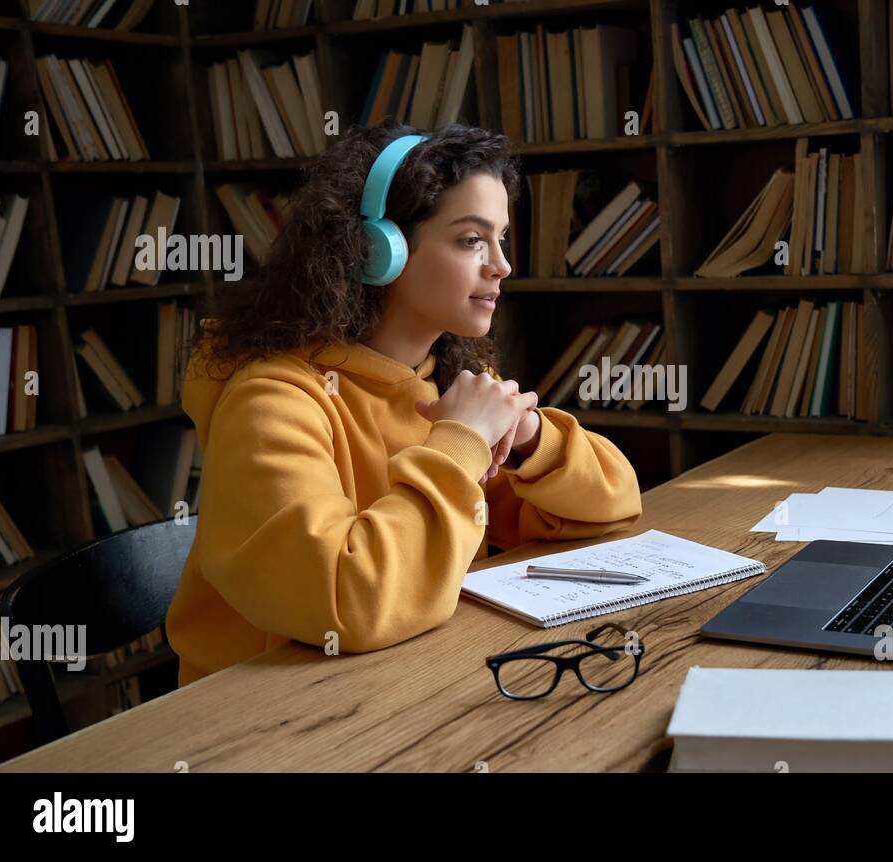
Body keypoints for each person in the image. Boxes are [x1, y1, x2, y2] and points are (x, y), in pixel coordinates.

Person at [164, 122, 643, 687]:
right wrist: (462, 446)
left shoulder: (450, 380)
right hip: (266, 719)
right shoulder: (271, 401)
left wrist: (533, 438)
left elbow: (615, 501)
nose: (502, 265)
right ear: (377, 250)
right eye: (471, 240)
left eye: (502, 239)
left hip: (405, 674)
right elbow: (349, 599)